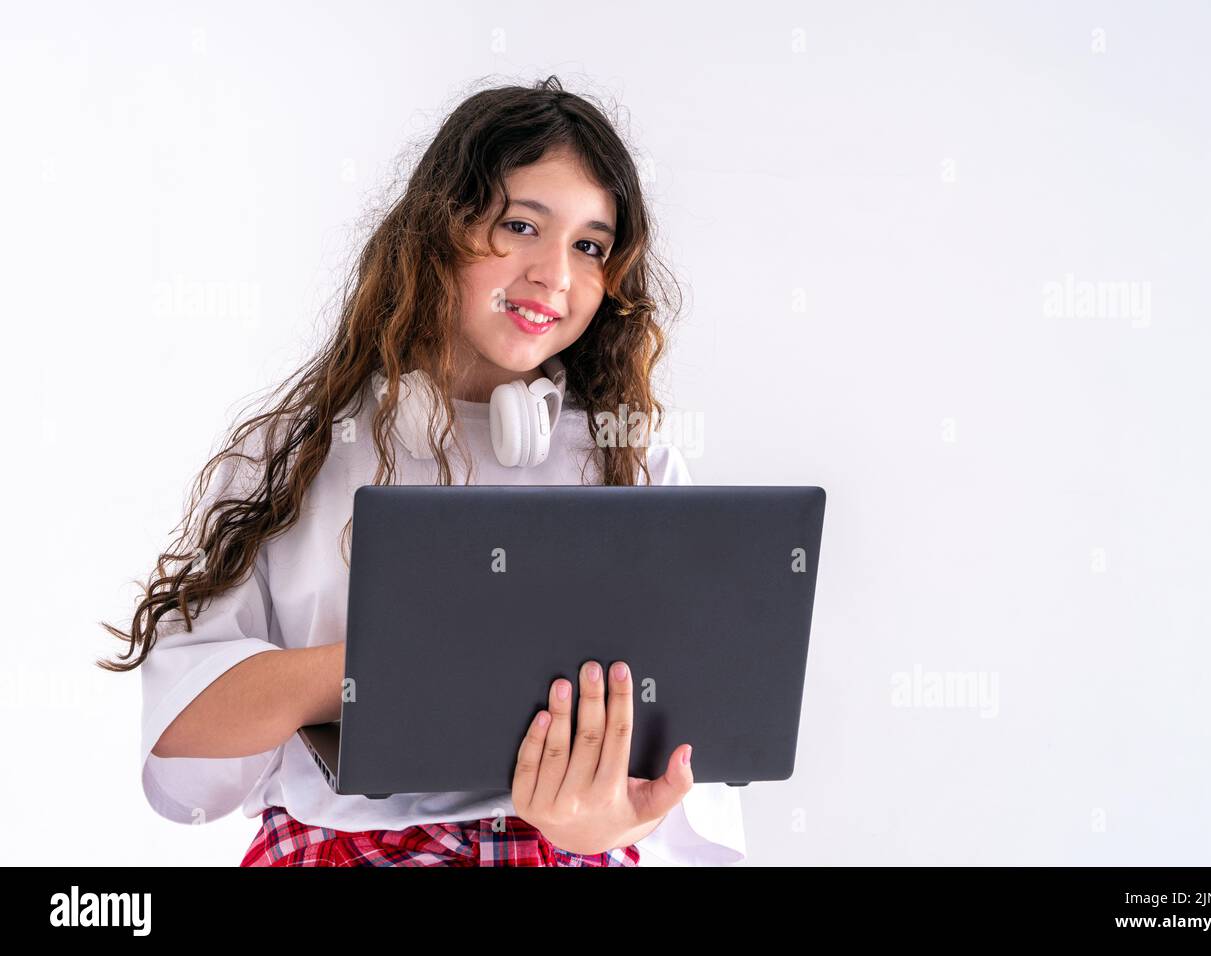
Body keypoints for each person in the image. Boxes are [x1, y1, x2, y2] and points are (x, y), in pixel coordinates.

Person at [99, 76, 746, 867]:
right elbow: (183, 734)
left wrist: (598, 825)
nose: (557, 274)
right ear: (439, 231)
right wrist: (389, 667)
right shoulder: (296, 454)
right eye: (520, 225)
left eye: (590, 245)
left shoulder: (632, 465)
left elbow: (685, 764)